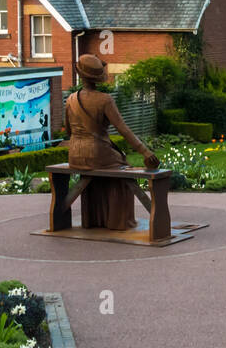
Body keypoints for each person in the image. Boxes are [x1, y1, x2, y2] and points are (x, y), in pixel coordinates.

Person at [63, 54, 160, 230]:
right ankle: (118, 221)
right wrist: (145, 152)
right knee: (123, 167)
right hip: (97, 153)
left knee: (102, 171)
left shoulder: (70, 99)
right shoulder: (104, 99)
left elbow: (68, 131)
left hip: (74, 155)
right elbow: (123, 130)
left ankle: (93, 219)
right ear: (97, 77)